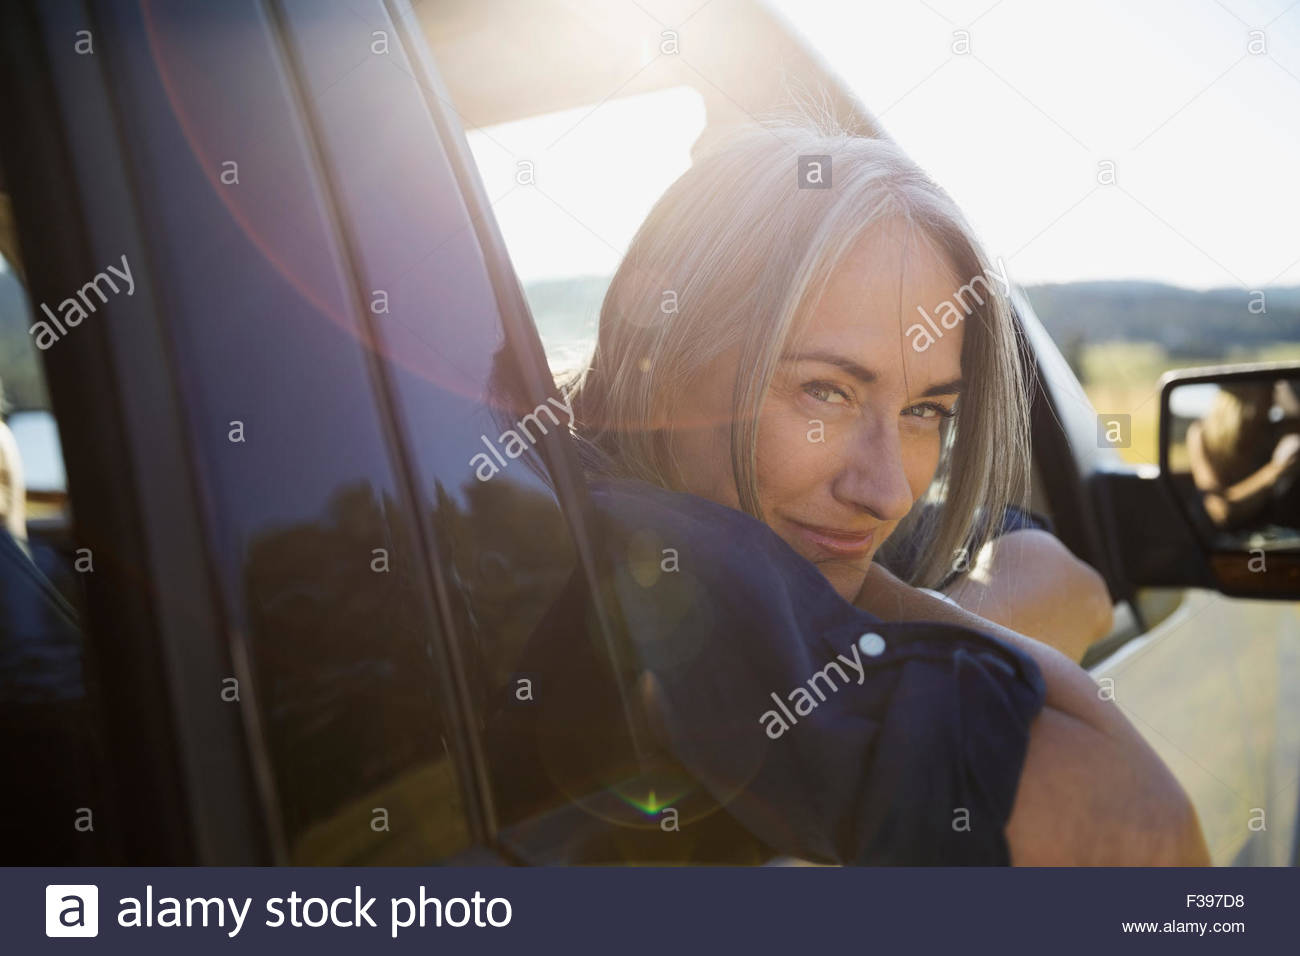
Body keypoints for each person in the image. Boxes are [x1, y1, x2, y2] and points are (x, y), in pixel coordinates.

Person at [555, 118, 1207, 865]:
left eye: (925, 411)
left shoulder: (626, 482)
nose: (889, 491)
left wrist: (912, 615)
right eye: (824, 391)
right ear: (657, 361)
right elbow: (1131, 821)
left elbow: (1059, 573)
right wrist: (952, 630)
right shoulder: (666, 548)